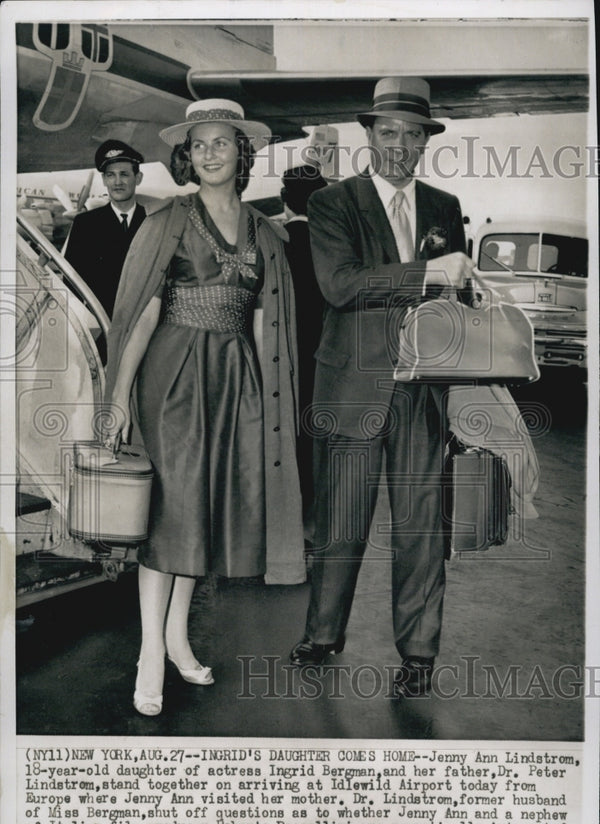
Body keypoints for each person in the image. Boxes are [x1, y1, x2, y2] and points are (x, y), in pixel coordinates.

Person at [103, 100, 305, 716]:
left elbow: (270, 328)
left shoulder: (267, 232)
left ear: (242, 154)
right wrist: (116, 399)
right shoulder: (168, 220)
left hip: (236, 382)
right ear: (186, 156)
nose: (212, 152)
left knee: (205, 513)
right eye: (201, 144)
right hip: (173, 378)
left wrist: (273, 409)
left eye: (224, 143)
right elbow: (141, 315)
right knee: (171, 515)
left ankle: (176, 636)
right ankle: (148, 654)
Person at [289, 77, 475, 697]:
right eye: (387, 132)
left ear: (426, 142)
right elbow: (340, 286)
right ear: (369, 136)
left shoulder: (445, 207)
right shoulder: (332, 203)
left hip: (422, 392)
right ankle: (322, 634)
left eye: (412, 134)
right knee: (341, 522)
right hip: (351, 389)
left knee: (422, 526)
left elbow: (456, 302)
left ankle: (419, 653)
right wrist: (428, 272)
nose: (399, 144)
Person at [280, 165, 328, 534]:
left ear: (284, 202)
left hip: (281, 353)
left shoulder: (277, 242)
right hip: (322, 355)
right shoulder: (331, 245)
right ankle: (311, 520)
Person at [64, 140, 146, 318]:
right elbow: (71, 282)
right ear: (104, 180)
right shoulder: (85, 224)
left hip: (145, 324)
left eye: (124, 174)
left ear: (138, 178)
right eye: (110, 175)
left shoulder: (153, 221)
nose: (117, 182)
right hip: (101, 322)